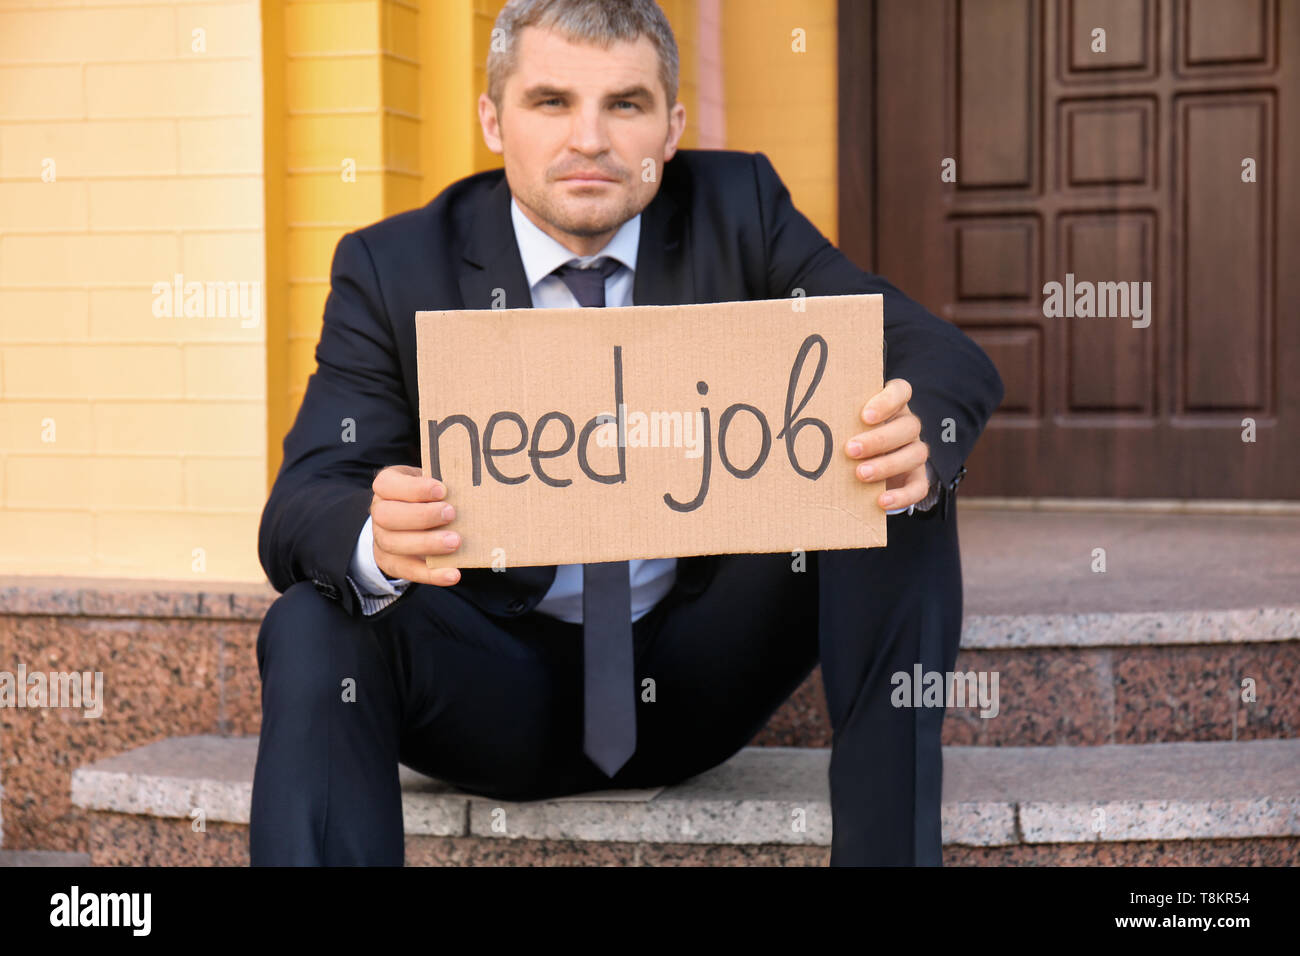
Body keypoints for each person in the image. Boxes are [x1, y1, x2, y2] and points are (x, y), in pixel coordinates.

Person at [251, 0, 1004, 866]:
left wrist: (922, 431)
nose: (590, 139)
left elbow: (927, 347)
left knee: (893, 462)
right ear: (493, 119)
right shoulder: (394, 266)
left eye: (626, 104)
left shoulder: (740, 209)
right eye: (551, 102)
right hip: (494, 685)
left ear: (673, 126)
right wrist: (375, 534)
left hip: (696, 673)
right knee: (312, 619)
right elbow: (302, 500)